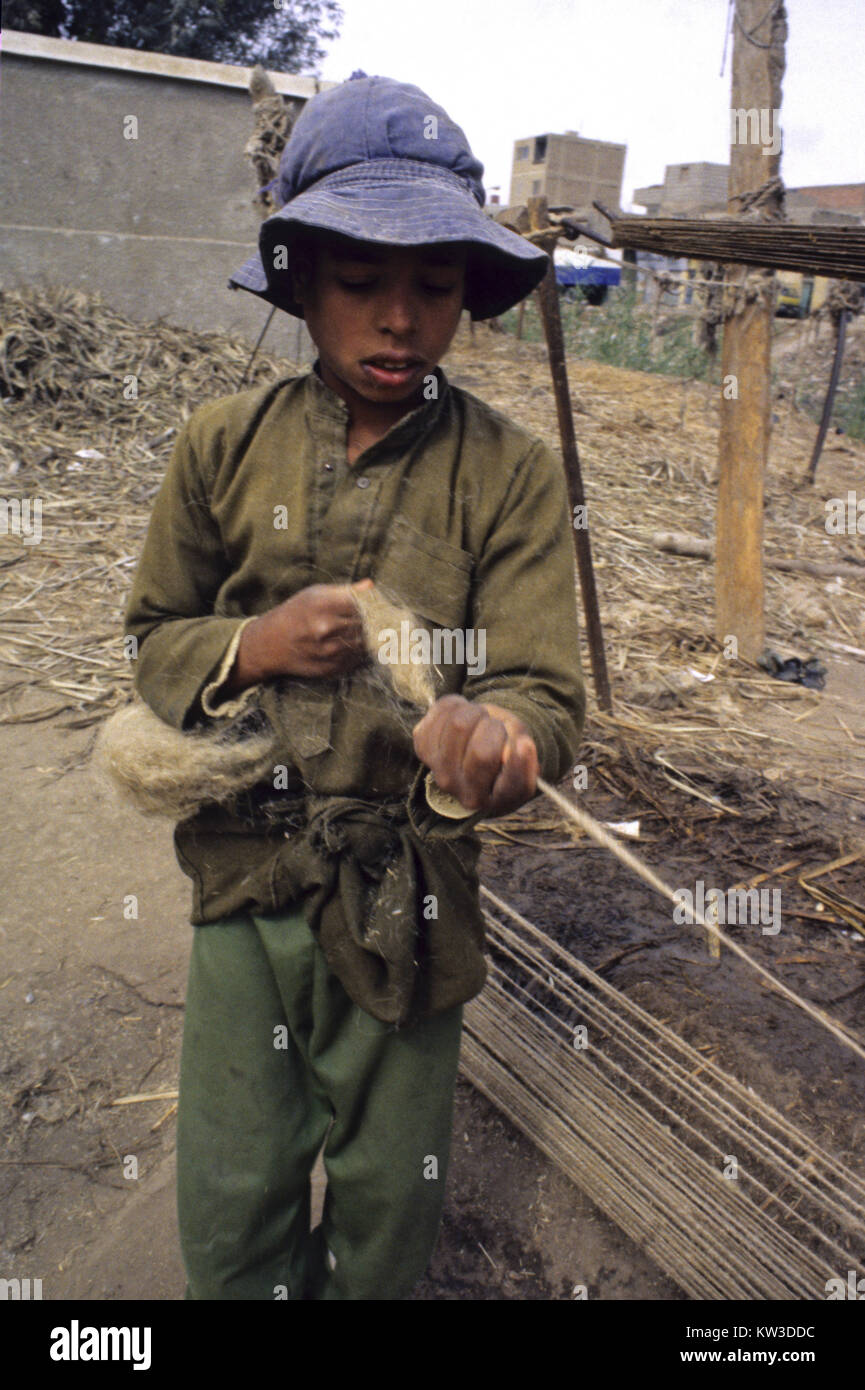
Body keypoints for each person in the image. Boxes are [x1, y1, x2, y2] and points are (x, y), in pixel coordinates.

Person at [123, 73, 586, 1301]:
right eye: (362, 282)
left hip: (412, 897)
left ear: (466, 297)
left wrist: (496, 739)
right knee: (233, 1194)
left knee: (390, 1200)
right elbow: (155, 636)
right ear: (301, 277)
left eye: (434, 286)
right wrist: (256, 644)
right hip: (245, 873)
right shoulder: (220, 446)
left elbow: (546, 693)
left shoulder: (511, 476)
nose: (399, 321)